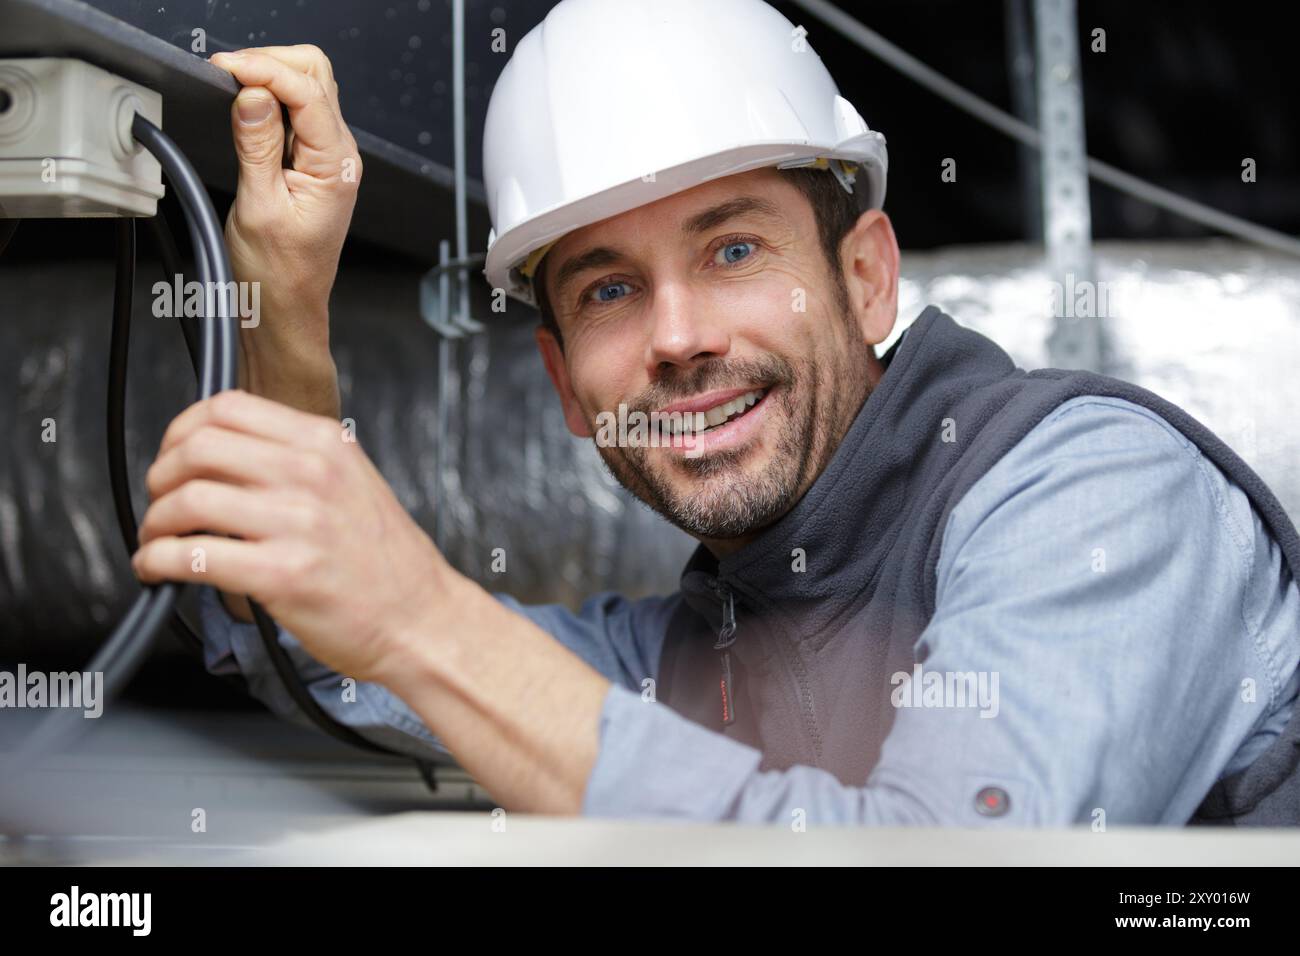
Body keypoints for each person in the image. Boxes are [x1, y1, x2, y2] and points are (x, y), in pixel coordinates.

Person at [132, 0, 1300, 825]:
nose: (678, 334)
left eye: (734, 247)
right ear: (564, 387)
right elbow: (323, 656)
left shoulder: (1096, 488)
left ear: (866, 279)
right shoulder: (692, 655)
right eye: (608, 289)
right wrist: (284, 303)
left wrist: (424, 615)